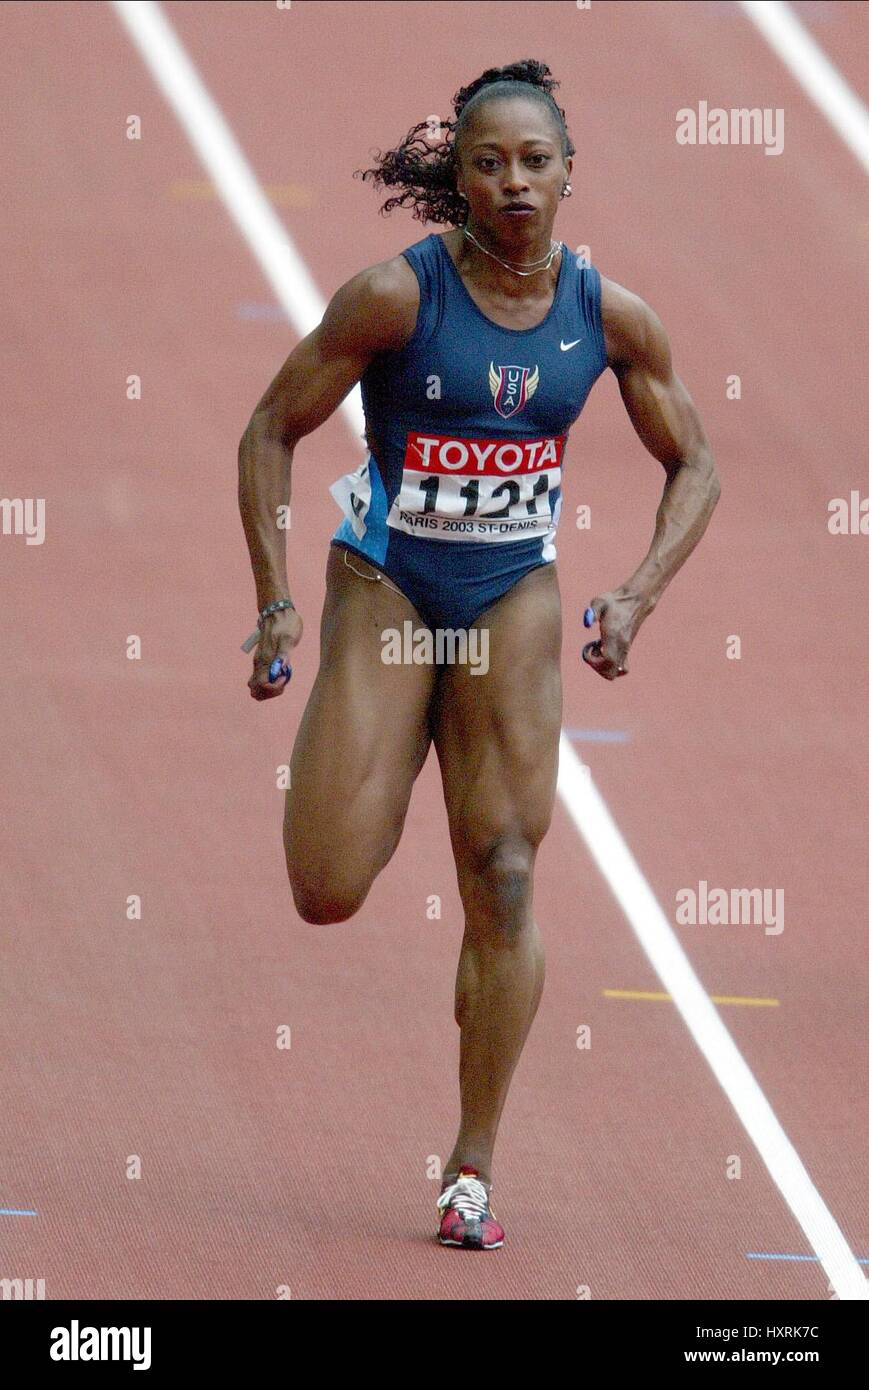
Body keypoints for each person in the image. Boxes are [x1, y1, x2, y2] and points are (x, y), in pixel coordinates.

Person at [238, 59, 720, 1251]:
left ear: (567, 173)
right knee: (324, 890)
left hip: (511, 594)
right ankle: (391, 738)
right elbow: (270, 427)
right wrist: (275, 603)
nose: (514, 182)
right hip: (389, 585)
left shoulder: (607, 318)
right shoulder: (394, 300)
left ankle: (469, 1167)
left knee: (503, 869)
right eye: (489, 162)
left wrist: (638, 594)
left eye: (534, 161)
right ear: (456, 178)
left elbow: (695, 464)